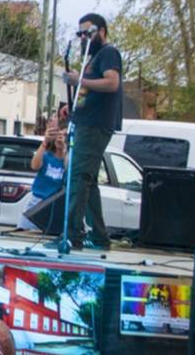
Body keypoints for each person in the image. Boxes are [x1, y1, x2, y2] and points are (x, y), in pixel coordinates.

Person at [62, 13, 124, 251]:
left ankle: (72, 235)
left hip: (96, 125)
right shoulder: (93, 59)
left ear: (102, 31)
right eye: (80, 34)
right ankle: (99, 236)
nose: (83, 38)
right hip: (87, 121)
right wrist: (72, 105)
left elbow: (112, 83)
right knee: (88, 180)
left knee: (78, 177)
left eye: (88, 33)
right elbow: (89, 93)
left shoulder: (108, 53)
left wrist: (80, 81)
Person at [19, 104, 68, 230]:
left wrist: (63, 149)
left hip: (53, 206)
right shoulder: (46, 155)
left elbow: (69, 171)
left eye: (62, 135)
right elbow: (34, 166)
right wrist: (45, 142)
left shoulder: (68, 157)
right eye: (57, 135)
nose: (59, 138)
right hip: (36, 203)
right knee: (23, 234)